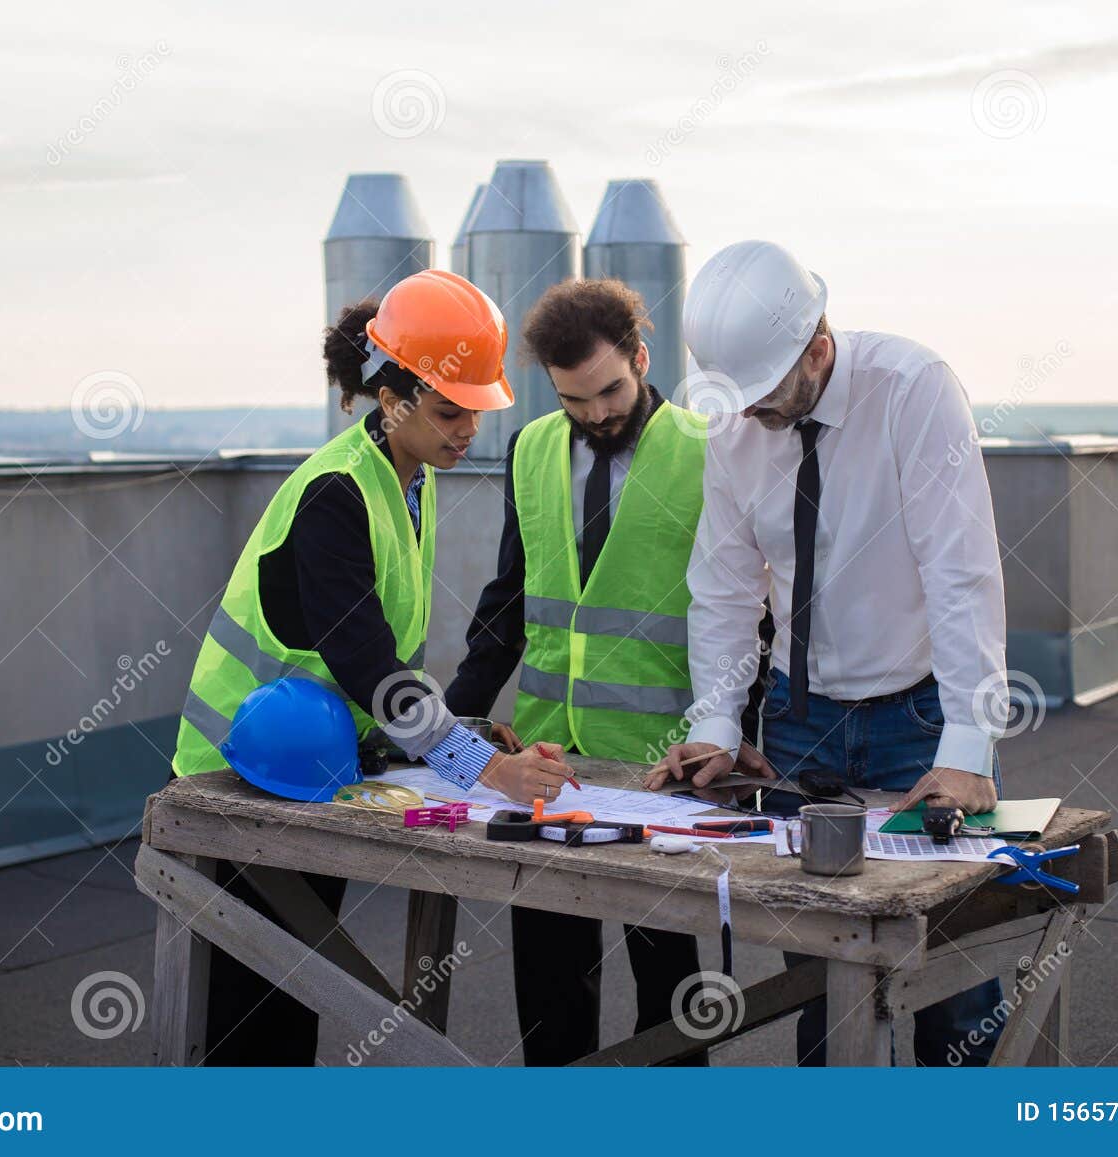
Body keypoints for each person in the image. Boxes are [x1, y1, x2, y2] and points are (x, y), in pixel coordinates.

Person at [172, 269, 573, 1065]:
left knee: (290, 1004)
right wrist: (484, 767)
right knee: (252, 1028)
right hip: (236, 779)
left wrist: (453, 730)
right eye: (451, 410)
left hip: (306, 771)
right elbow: (362, 660)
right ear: (393, 399)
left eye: (477, 410)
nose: (469, 430)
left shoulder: (404, 479)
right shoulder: (338, 493)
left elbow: (366, 663)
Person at [646, 240, 1010, 1066]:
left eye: (763, 398)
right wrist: (713, 719)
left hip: (917, 716)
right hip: (799, 723)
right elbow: (726, 589)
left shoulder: (914, 392)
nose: (746, 418)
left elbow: (962, 574)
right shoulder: (737, 427)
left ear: (817, 348)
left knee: (953, 989)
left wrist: (967, 747)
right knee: (828, 988)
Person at [446, 278, 773, 1065]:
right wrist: (449, 721)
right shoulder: (528, 449)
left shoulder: (710, 451)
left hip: (660, 772)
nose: (596, 413)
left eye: (610, 390)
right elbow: (507, 604)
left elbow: (748, 618)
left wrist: (734, 739)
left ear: (642, 358)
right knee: (551, 991)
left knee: (669, 996)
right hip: (547, 766)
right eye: (573, 399)